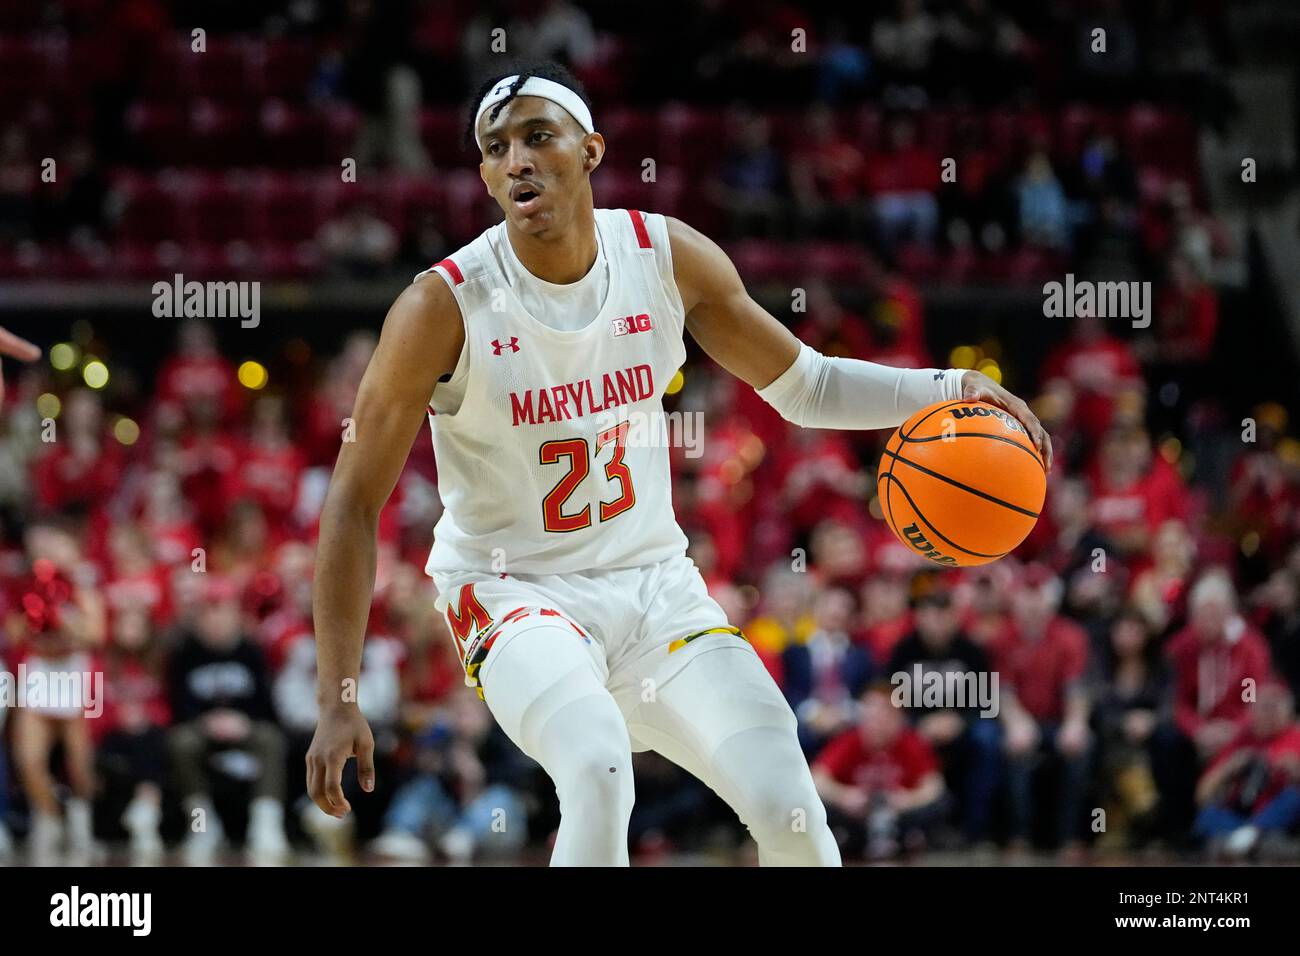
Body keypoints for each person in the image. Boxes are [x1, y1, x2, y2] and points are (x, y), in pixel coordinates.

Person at [305, 60, 1051, 867]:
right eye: (494, 148)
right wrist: (338, 695)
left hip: (657, 587)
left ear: (589, 150)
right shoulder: (439, 305)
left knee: (792, 808)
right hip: (512, 590)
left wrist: (953, 385)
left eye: (536, 136)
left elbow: (808, 385)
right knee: (596, 765)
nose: (514, 159)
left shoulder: (664, 256)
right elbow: (351, 504)